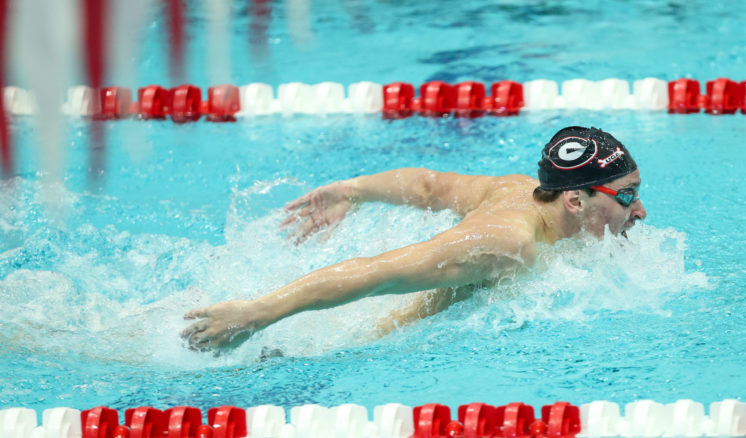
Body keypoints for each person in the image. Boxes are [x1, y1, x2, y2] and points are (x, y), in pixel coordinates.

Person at [182, 126, 646, 351]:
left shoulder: (516, 188)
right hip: (341, 344)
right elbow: (378, 272)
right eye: (626, 197)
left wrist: (352, 191)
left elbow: (429, 186)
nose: (640, 212)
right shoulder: (508, 242)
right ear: (574, 201)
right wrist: (255, 314)